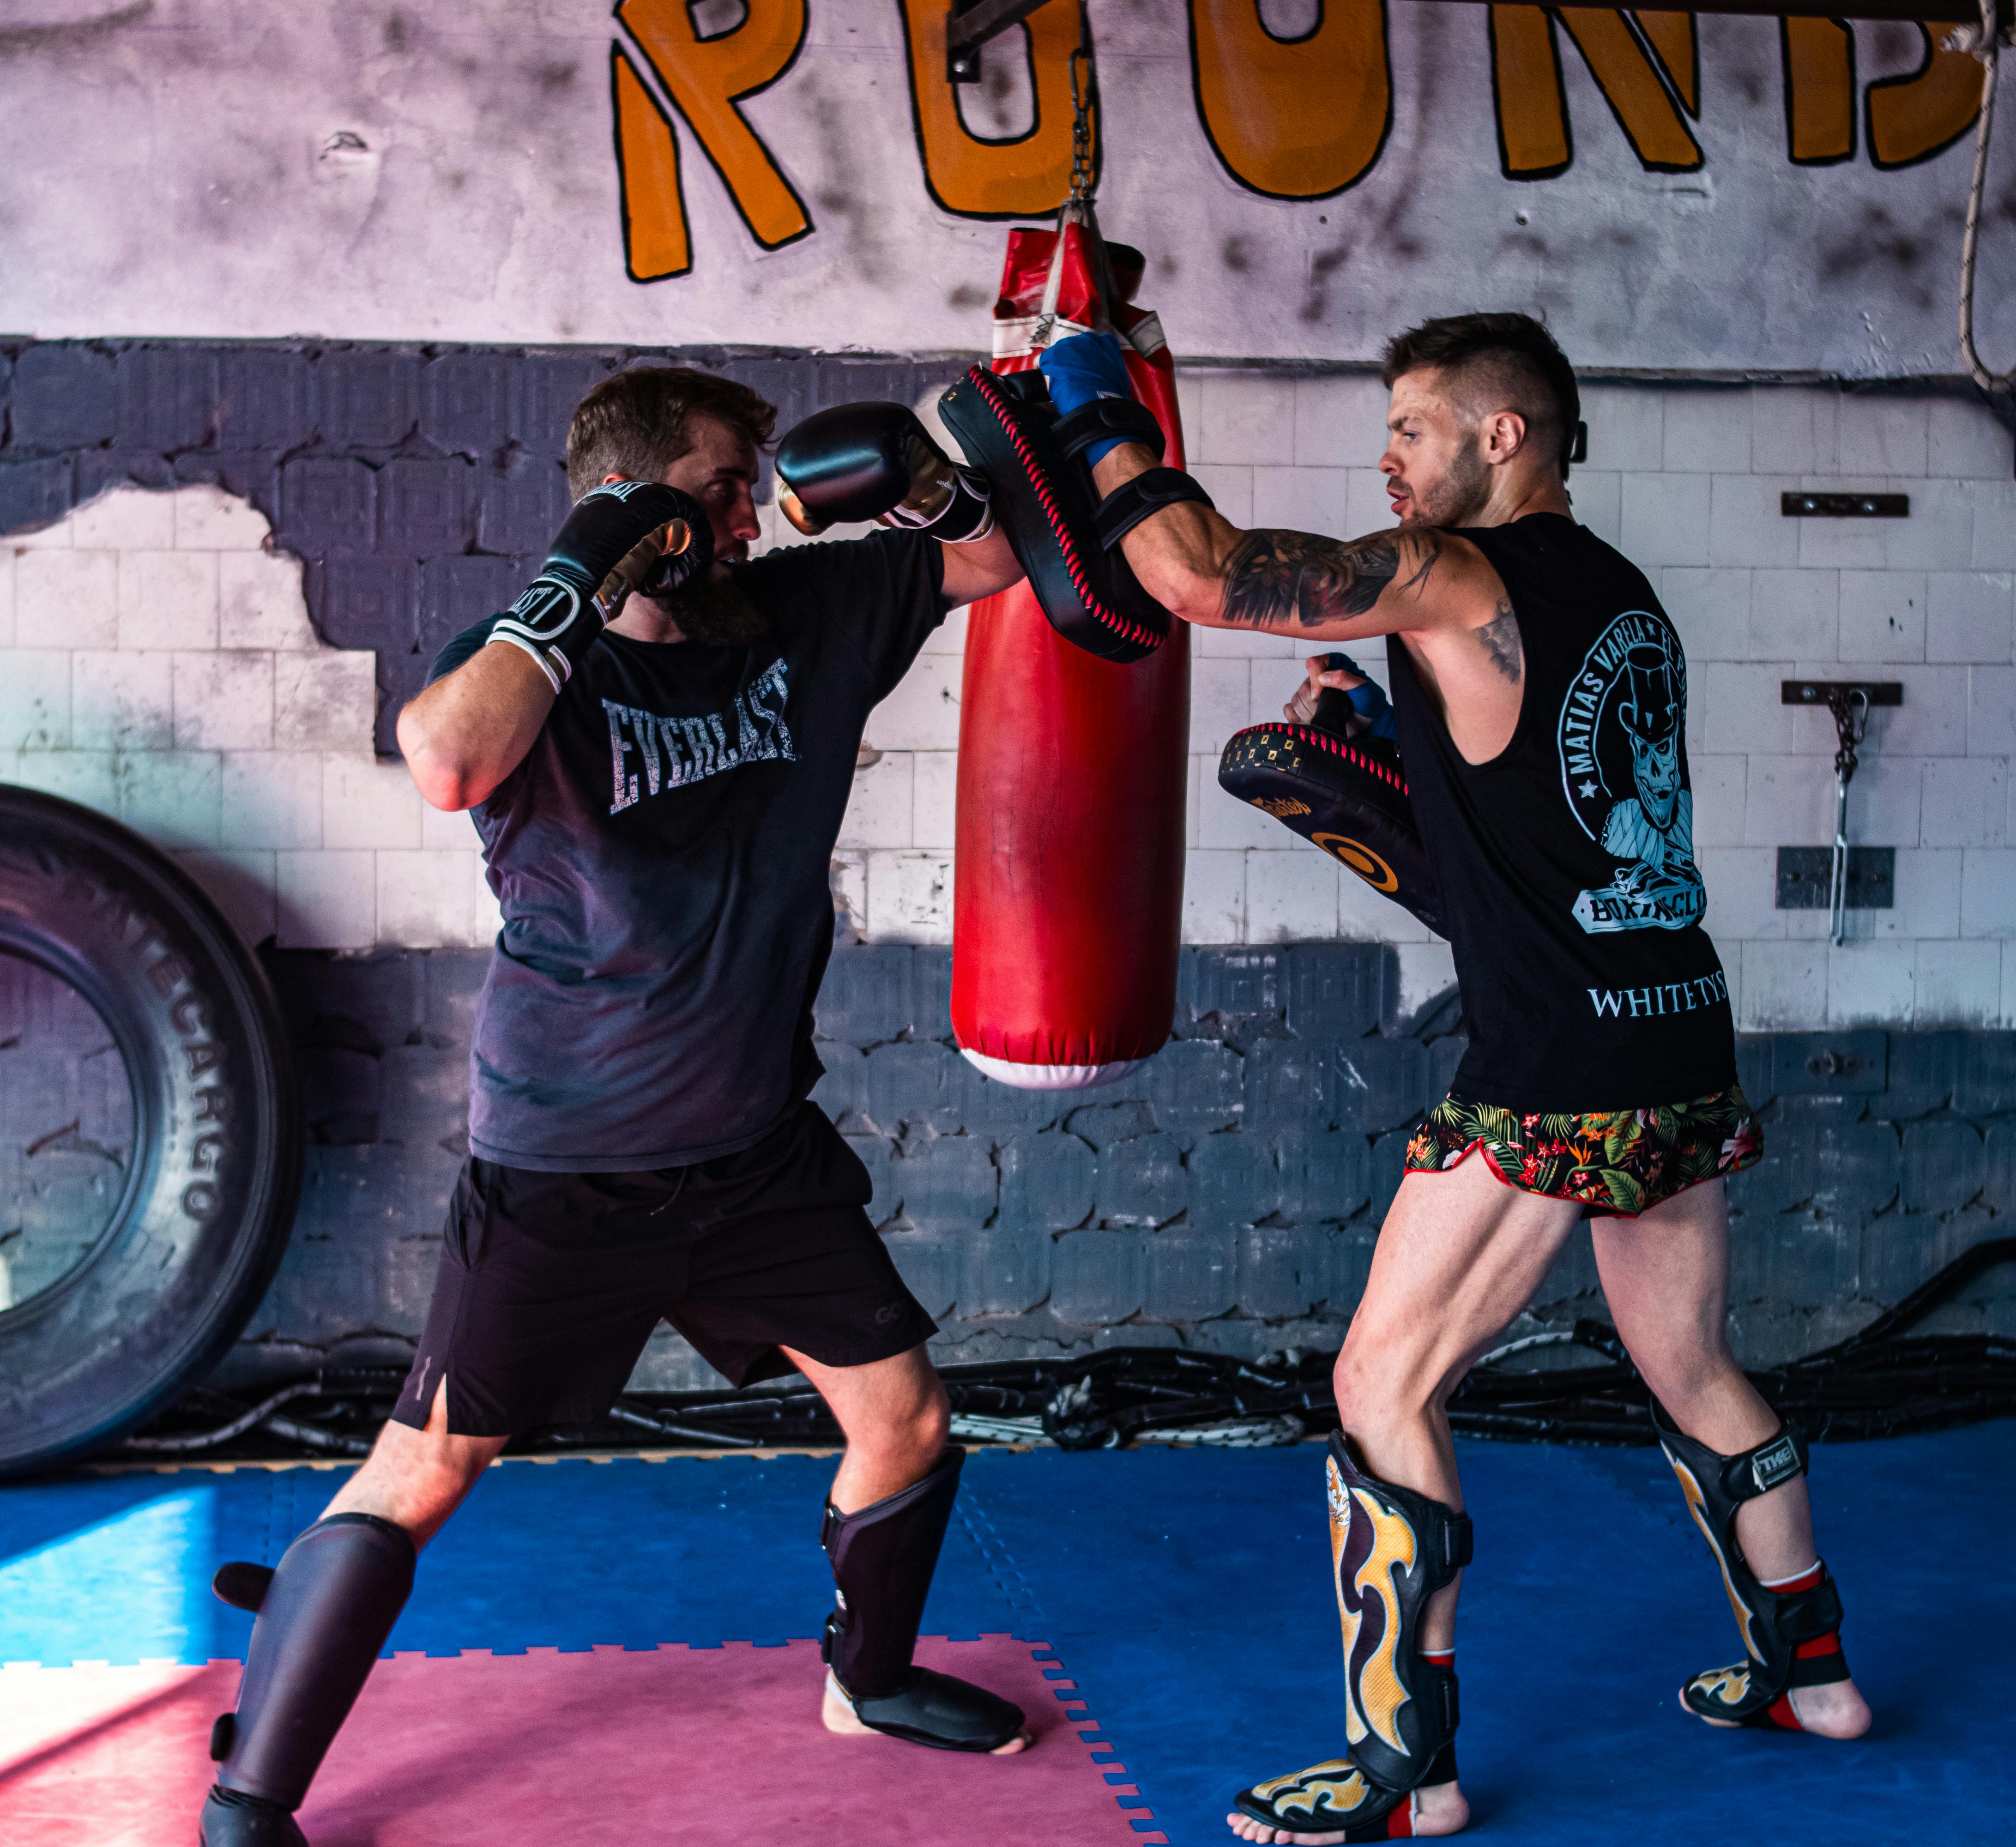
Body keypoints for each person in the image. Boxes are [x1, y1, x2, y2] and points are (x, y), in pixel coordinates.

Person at [1036, 313, 1872, 1845]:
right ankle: (1812, 1673)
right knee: (1691, 1367)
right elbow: (1533, 834)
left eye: (1415, 428)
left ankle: (1402, 1767)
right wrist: (1381, 749)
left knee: (1382, 1384)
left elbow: (1199, 574)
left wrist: (1103, 416)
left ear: (1507, 434)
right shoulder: (1616, 597)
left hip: (1558, 1069)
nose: (1390, 457)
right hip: (1676, 1031)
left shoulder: (1454, 577)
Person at [195, 369, 1032, 1846]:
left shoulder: (810, 617)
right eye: (716, 491)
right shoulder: (538, 673)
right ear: (633, 511)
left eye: (749, 483)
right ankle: (255, 1779)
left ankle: (868, 1678)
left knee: (904, 1418)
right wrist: (581, 567)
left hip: (756, 1155)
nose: (746, 516)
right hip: (567, 1171)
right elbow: (447, 760)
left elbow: (996, 559)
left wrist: (930, 482)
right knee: (431, 1464)